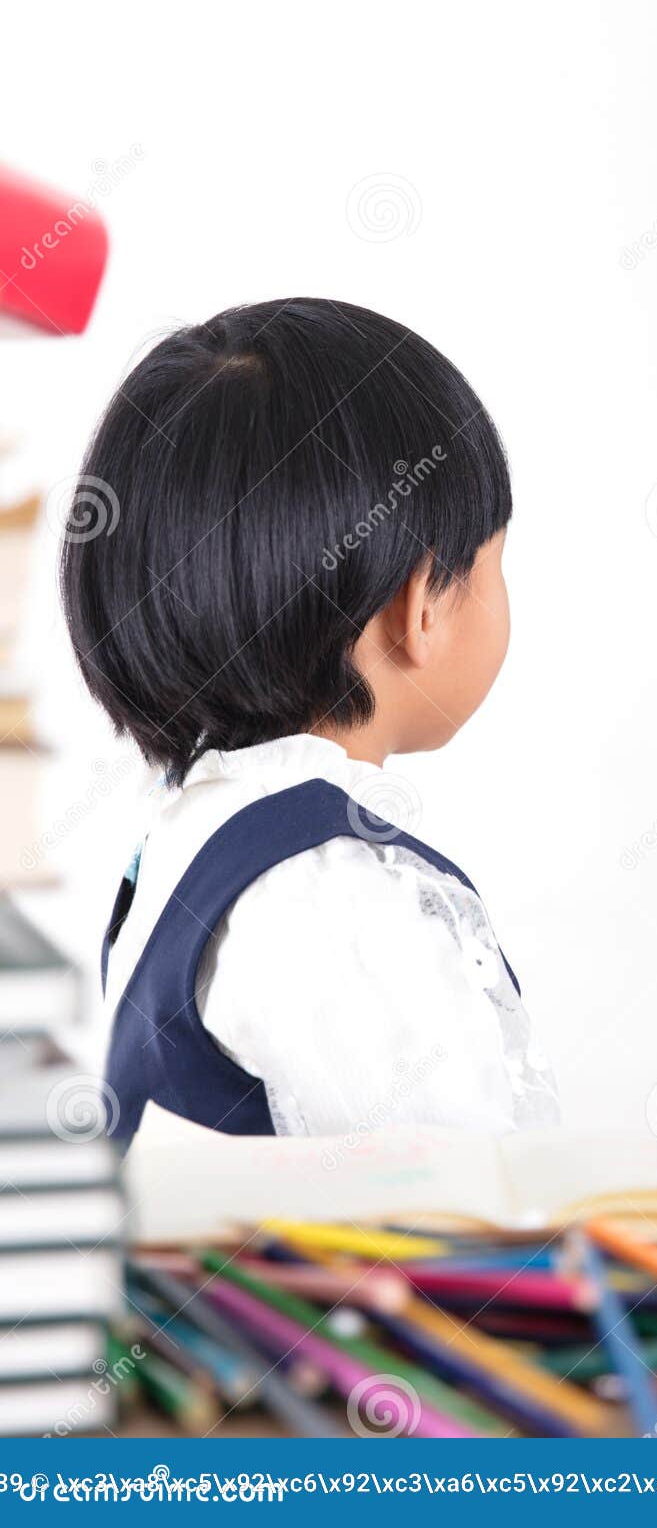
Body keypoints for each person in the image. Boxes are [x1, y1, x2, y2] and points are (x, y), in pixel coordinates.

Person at [61, 298, 559, 1139]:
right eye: (493, 564)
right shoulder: (341, 891)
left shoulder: (192, 830)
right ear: (422, 607)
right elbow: (475, 1221)